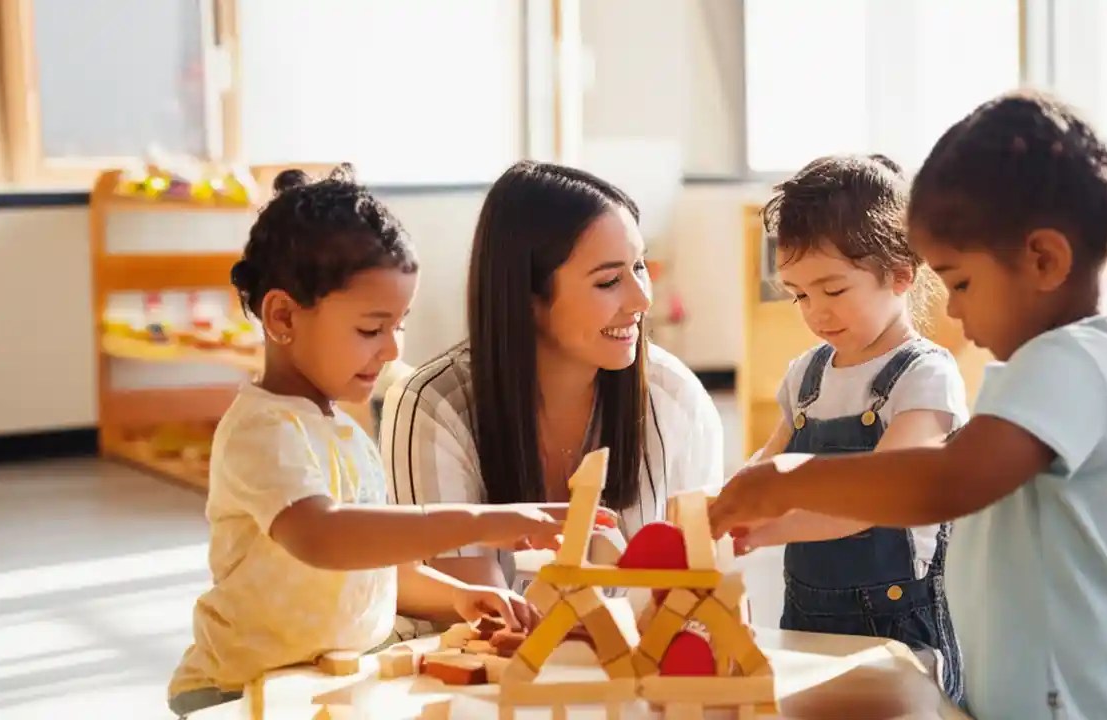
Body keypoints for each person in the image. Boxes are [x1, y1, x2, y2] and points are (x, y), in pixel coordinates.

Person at [709, 90, 1107, 719]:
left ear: (1044, 260)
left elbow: (943, 482)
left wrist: (789, 480)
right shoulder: (1051, 364)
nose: (952, 308)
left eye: (961, 282)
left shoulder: (1074, 361)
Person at [168, 166, 562, 717]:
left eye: (399, 325)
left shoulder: (347, 433)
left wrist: (456, 594)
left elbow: (375, 566)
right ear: (282, 316)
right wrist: (480, 522)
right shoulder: (264, 431)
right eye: (371, 329)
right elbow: (324, 537)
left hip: (328, 680)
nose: (393, 349)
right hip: (239, 690)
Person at [380, 160, 724, 615]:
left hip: (630, 659)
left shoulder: (673, 396)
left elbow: (695, 594)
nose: (642, 299)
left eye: (639, 266)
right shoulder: (434, 407)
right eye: (609, 280)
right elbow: (485, 617)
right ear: (526, 295)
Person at [740, 154, 965, 702]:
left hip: (898, 630)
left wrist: (767, 528)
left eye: (834, 290)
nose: (816, 312)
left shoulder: (925, 377)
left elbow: (878, 496)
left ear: (901, 272)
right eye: (799, 294)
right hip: (806, 618)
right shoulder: (807, 376)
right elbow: (766, 464)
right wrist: (721, 505)